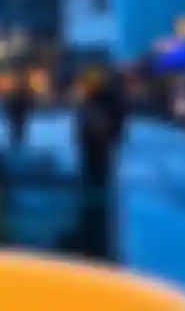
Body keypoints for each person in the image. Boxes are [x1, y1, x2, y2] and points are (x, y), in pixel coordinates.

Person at [75, 72, 126, 260]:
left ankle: (95, 224)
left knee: (95, 177)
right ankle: (98, 227)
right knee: (100, 178)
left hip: (94, 145)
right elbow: (118, 122)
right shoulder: (111, 100)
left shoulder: (95, 101)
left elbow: (83, 122)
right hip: (100, 145)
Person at [3, 74, 33, 149]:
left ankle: (16, 140)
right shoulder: (21, 95)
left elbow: (25, 104)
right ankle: (17, 140)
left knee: (17, 127)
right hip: (17, 114)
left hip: (18, 114)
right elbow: (26, 104)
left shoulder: (18, 95)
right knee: (17, 127)